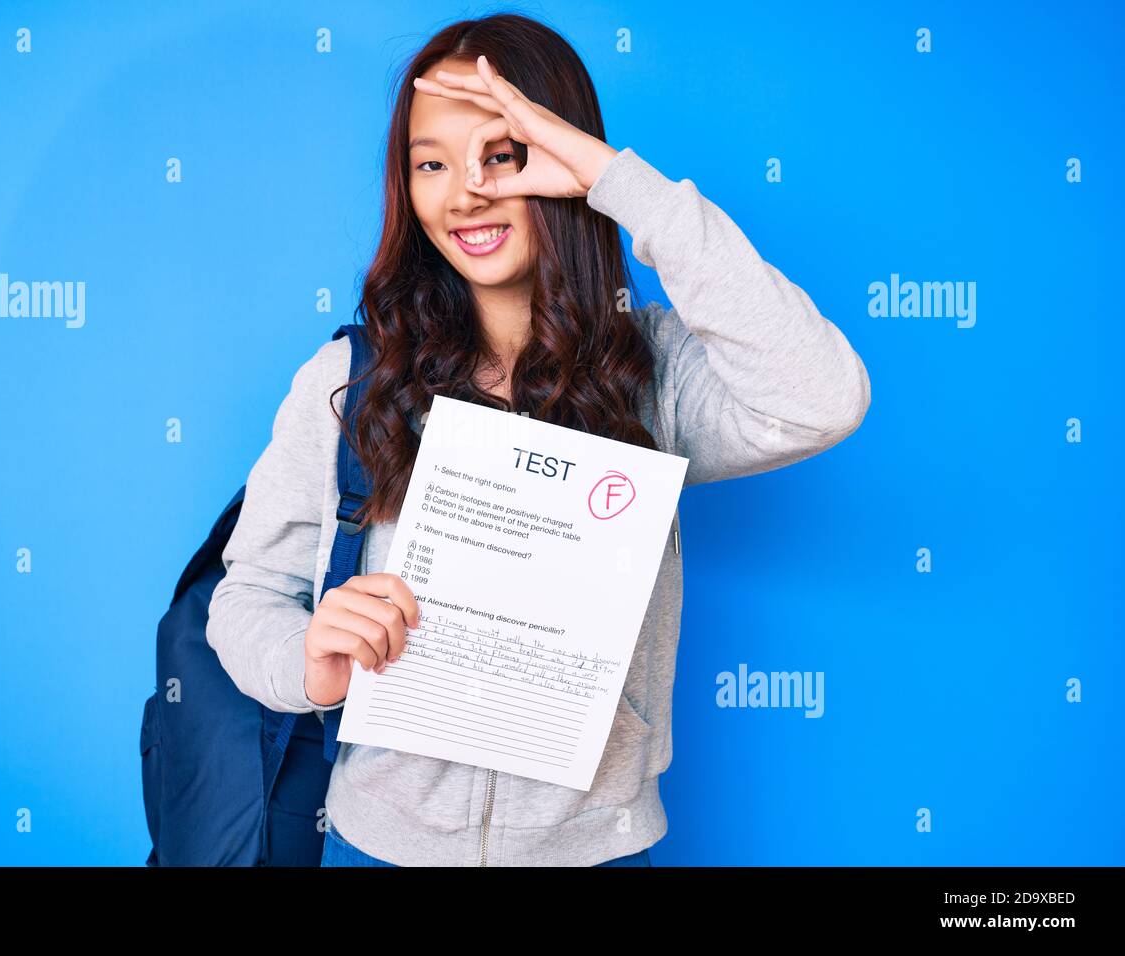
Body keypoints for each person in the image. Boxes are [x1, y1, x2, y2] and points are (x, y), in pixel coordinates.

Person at [206, 13, 870, 867]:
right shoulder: (353, 376)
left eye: (503, 154)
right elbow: (247, 592)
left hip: (597, 849)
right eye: (430, 164)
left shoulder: (653, 370)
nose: (465, 192)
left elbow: (824, 397)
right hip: (383, 844)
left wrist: (614, 182)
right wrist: (309, 660)